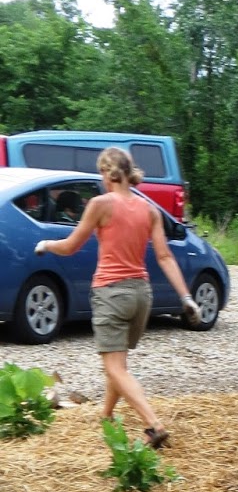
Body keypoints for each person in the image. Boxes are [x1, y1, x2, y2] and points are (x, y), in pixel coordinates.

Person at [34, 147, 200, 448]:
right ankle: (107, 415)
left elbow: (71, 246)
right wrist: (186, 297)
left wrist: (46, 243)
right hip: (141, 294)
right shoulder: (149, 210)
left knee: (114, 366)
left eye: (101, 173)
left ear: (108, 172)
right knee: (118, 362)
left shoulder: (100, 204)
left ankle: (153, 424)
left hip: (111, 292)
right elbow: (164, 257)